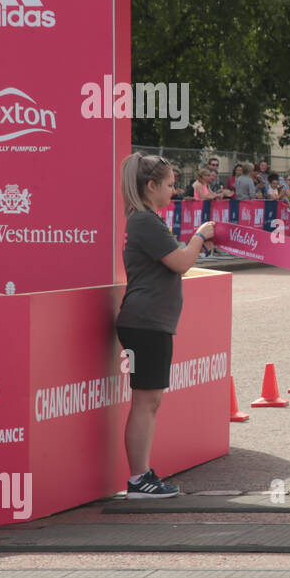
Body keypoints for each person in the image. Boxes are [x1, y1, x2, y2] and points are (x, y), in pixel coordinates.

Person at [116, 154, 215, 498]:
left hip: (149, 323)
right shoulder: (145, 222)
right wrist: (201, 236)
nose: (175, 191)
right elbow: (182, 262)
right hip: (145, 323)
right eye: (171, 185)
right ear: (152, 186)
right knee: (145, 402)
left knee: (150, 400)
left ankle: (141, 475)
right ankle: (138, 478)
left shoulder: (146, 220)